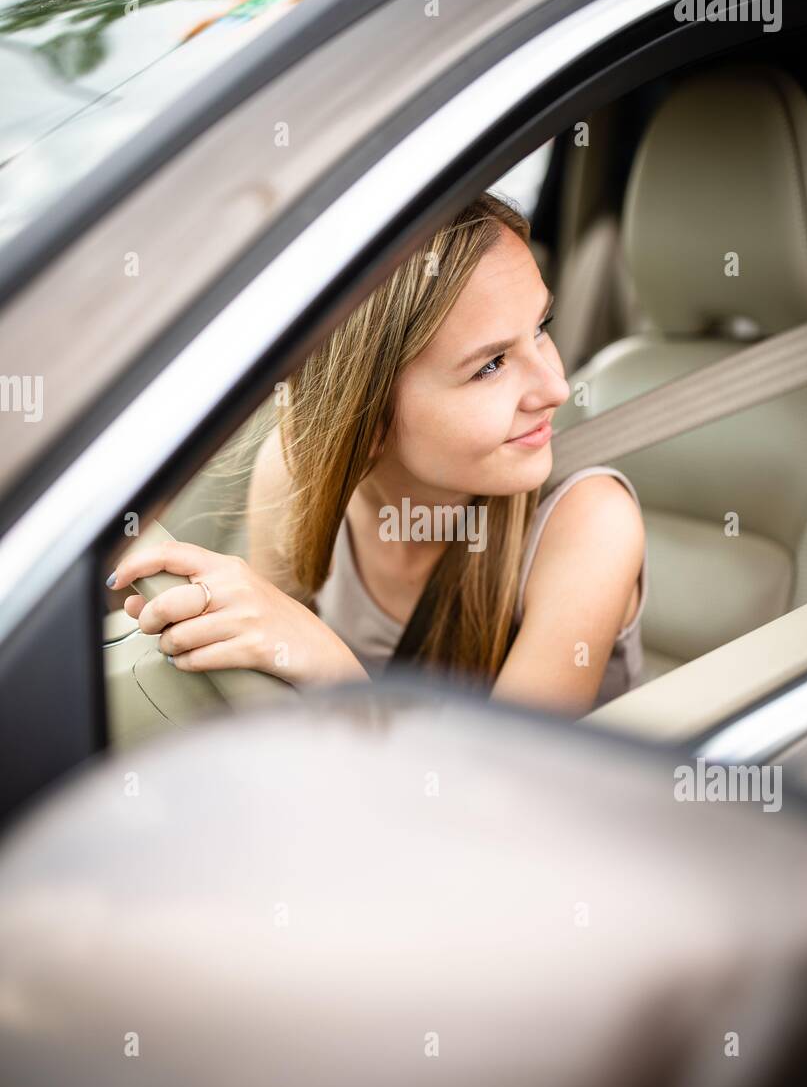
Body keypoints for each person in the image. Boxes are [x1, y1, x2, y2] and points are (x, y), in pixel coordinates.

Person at [107, 192, 646, 716]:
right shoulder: (292, 474)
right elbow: (266, 708)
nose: (556, 386)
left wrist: (330, 666)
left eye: (541, 328)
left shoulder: (590, 523)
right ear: (369, 418)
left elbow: (499, 798)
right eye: (491, 365)